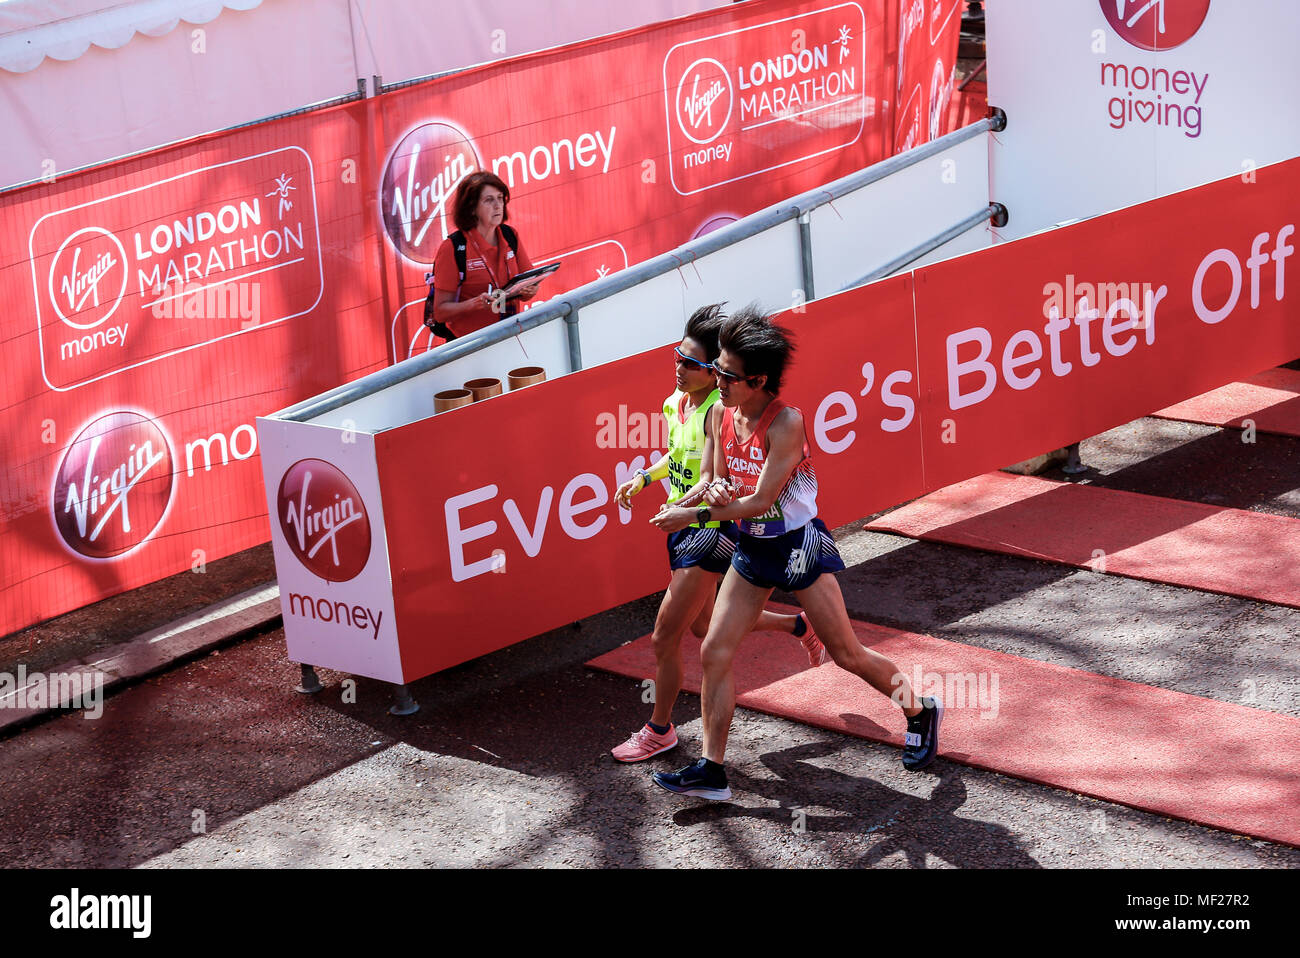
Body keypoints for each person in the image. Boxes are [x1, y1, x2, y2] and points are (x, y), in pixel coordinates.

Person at [648, 305, 941, 800]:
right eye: (716, 368)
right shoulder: (719, 412)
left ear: (758, 380)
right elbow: (717, 479)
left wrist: (691, 516)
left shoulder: (786, 424)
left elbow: (762, 501)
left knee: (847, 654)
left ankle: (919, 709)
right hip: (753, 548)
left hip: (797, 547)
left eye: (726, 374)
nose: (716, 380)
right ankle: (712, 770)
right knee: (713, 650)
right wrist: (705, 494)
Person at [610, 304, 830, 763]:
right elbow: (676, 458)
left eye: (692, 363)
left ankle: (661, 729)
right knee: (703, 625)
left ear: (717, 373)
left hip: (710, 528)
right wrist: (646, 480)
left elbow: (736, 486)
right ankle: (796, 624)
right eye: (677, 356)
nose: (679, 367)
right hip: (684, 517)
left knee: (663, 636)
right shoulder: (675, 403)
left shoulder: (723, 408)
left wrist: (694, 513)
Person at [429, 171, 544, 340]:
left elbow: (530, 284)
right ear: (472, 208)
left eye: (500, 198)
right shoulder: (453, 248)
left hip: (510, 335)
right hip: (471, 345)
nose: (498, 206)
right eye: (489, 200)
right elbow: (440, 312)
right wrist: (474, 304)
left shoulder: (509, 235)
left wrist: (529, 290)